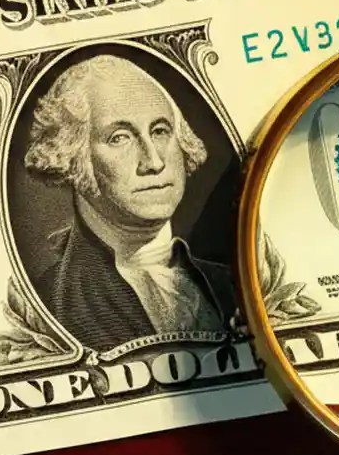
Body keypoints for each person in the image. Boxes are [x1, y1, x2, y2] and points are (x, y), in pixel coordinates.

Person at [22, 52, 234, 352]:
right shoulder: (47, 308)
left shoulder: (230, 282)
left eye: (160, 131)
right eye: (120, 137)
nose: (154, 161)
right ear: (72, 154)